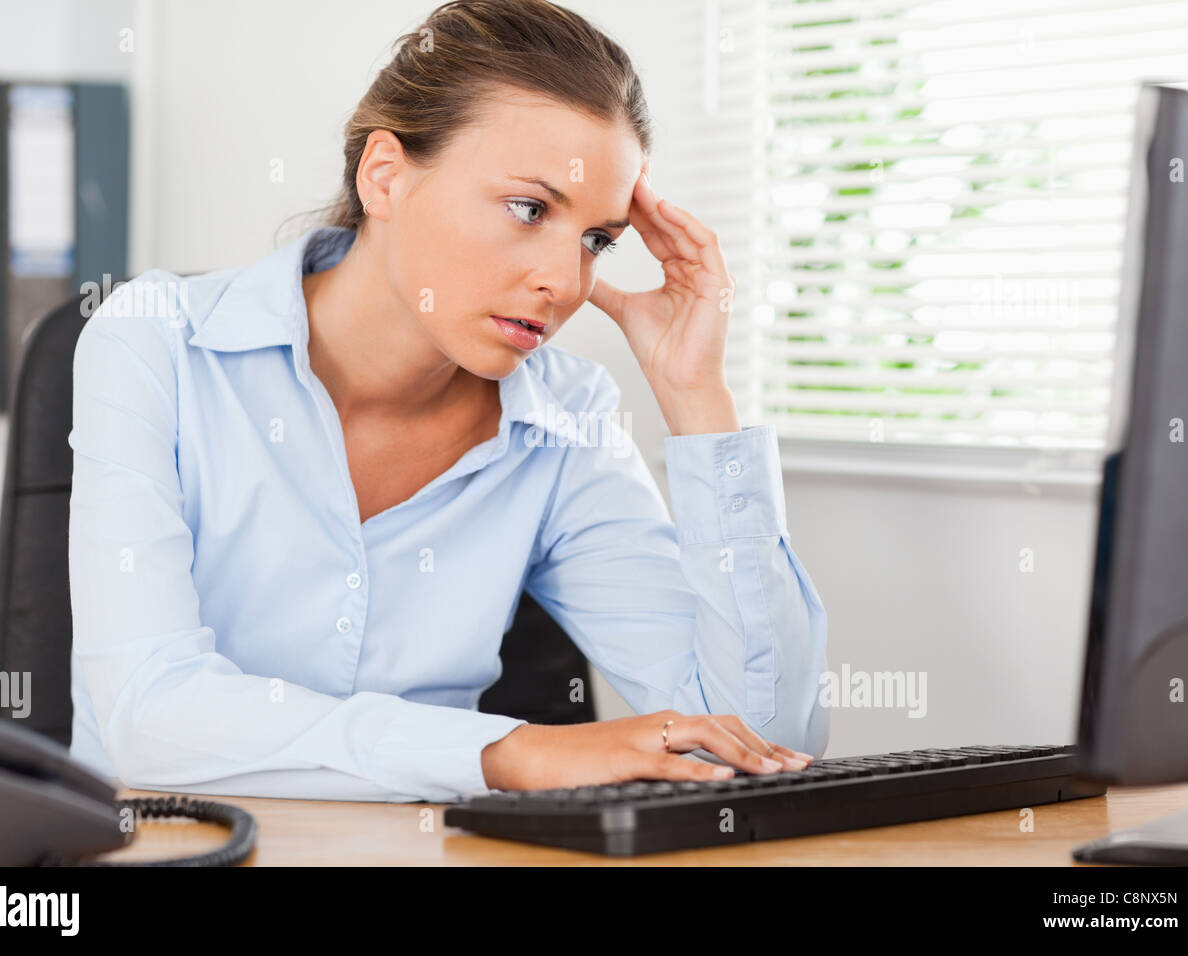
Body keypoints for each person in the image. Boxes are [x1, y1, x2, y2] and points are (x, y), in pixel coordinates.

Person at [67, 0, 829, 803]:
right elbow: (147, 718)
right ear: (385, 175)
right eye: (529, 209)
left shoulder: (564, 423)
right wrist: (507, 753)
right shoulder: (157, 345)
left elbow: (762, 747)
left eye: (597, 240)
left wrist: (696, 397)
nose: (565, 282)